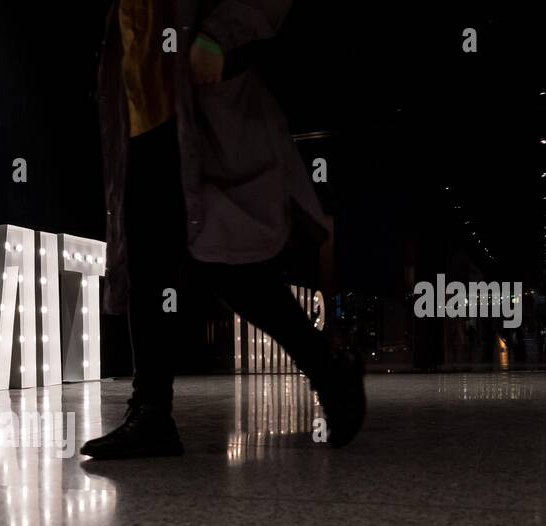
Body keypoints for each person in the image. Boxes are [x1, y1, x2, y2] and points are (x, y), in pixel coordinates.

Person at [80, 0, 366, 459]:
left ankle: (325, 363)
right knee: (147, 266)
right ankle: (151, 412)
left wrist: (219, 35)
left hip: (200, 104)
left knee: (224, 262)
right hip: (138, 112)